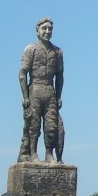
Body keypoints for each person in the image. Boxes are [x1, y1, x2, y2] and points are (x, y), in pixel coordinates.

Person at [18, 17, 65, 163]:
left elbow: (60, 76)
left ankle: (49, 154)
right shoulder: (31, 49)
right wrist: (25, 96)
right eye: (44, 28)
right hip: (35, 89)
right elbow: (22, 73)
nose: (47, 31)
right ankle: (32, 153)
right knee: (34, 124)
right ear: (38, 31)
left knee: (51, 126)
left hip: (50, 90)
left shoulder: (57, 52)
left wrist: (58, 96)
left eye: (50, 28)